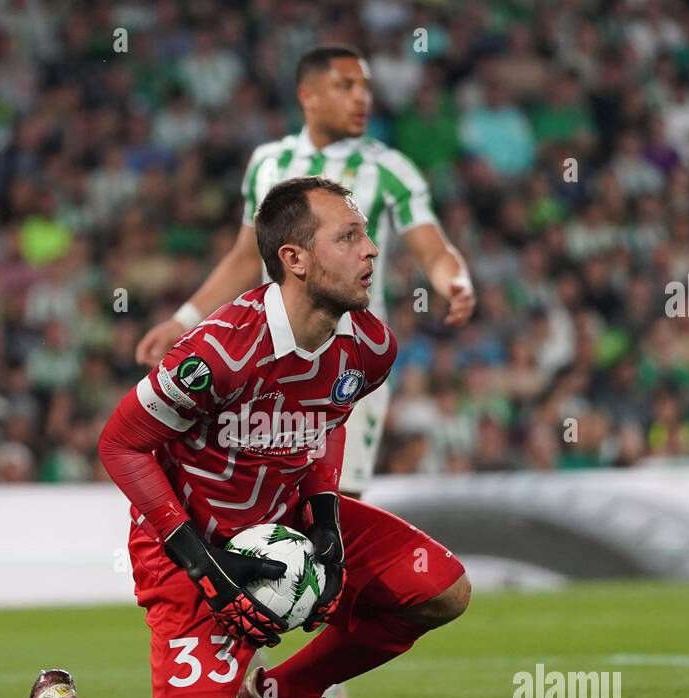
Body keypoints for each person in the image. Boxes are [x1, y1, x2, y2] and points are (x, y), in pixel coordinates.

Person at [4, 177, 469, 698]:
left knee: (441, 590)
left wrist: (326, 522)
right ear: (294, 259)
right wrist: (202, 563)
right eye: (349, 236)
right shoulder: (220, 352)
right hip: (188, 540)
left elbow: (328, 417)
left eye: (366, 235)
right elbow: (120, 445)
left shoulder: (369, 347)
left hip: (288, 516)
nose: (371, 250)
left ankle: (288, 693)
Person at [134, 43, 476, 496]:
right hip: (265, 361)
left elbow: (432, 248)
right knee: (252, 499)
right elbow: (245, 256)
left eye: (365, 88)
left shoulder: (389, 169)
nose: (361, 99)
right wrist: (183, 319)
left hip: (350, 361)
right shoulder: (269, 163)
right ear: (308, 95)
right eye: (345, 86)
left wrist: (454, 281)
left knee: (336, 508)